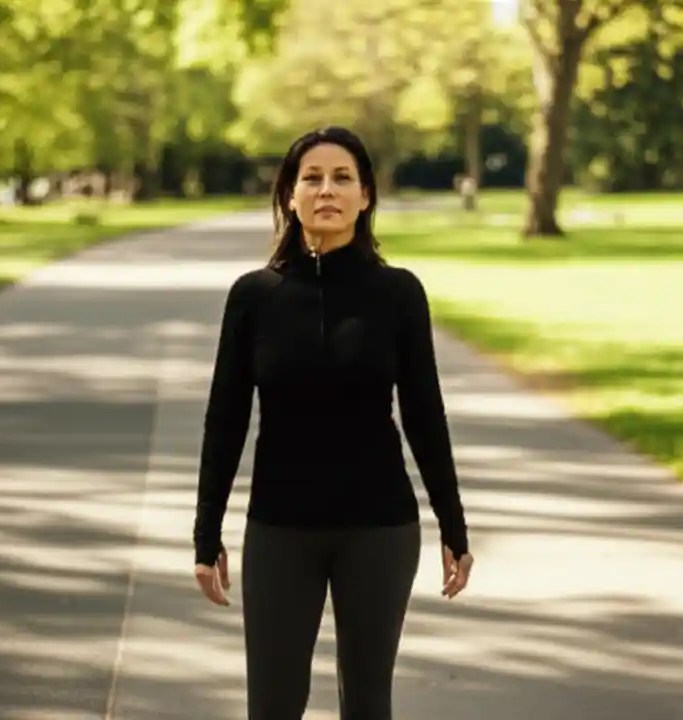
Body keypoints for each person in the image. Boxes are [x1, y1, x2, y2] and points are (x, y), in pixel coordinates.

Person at [191, 125, 475, 720]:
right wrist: (206, 532)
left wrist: (454, 524)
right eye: (312, 178)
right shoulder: (254, 297)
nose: (327, 190)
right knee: (272, 706)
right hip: (279, 528)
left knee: (368, 706)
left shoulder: (398, 293)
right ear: (289, 197)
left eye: (343, 177)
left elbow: (425, 413)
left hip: (378, 529)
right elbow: (226, 419)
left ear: (366, 196)